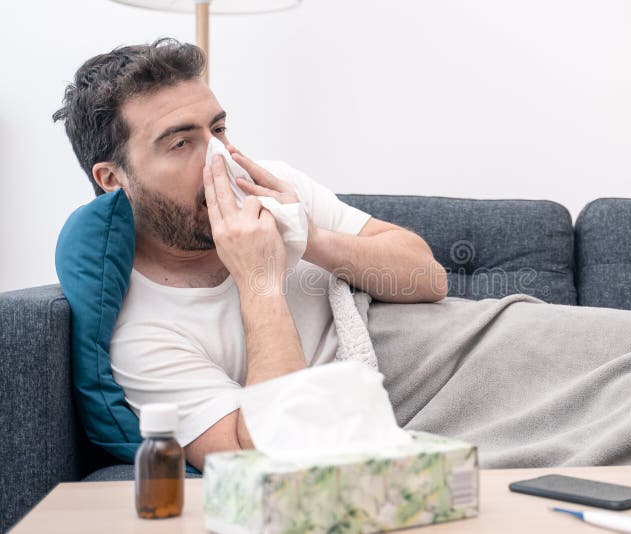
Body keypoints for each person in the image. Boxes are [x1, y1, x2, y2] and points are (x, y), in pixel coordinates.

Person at [53, 37, 448, 471]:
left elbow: (428, 277)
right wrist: (260, 283)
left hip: (483, 342)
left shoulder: (274, 188)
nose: (220, 160)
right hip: (433, 413)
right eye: (181, 143)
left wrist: (310, 238)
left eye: (218, 130)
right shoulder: (141, 335)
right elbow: (270, 460)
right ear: (113, 178)